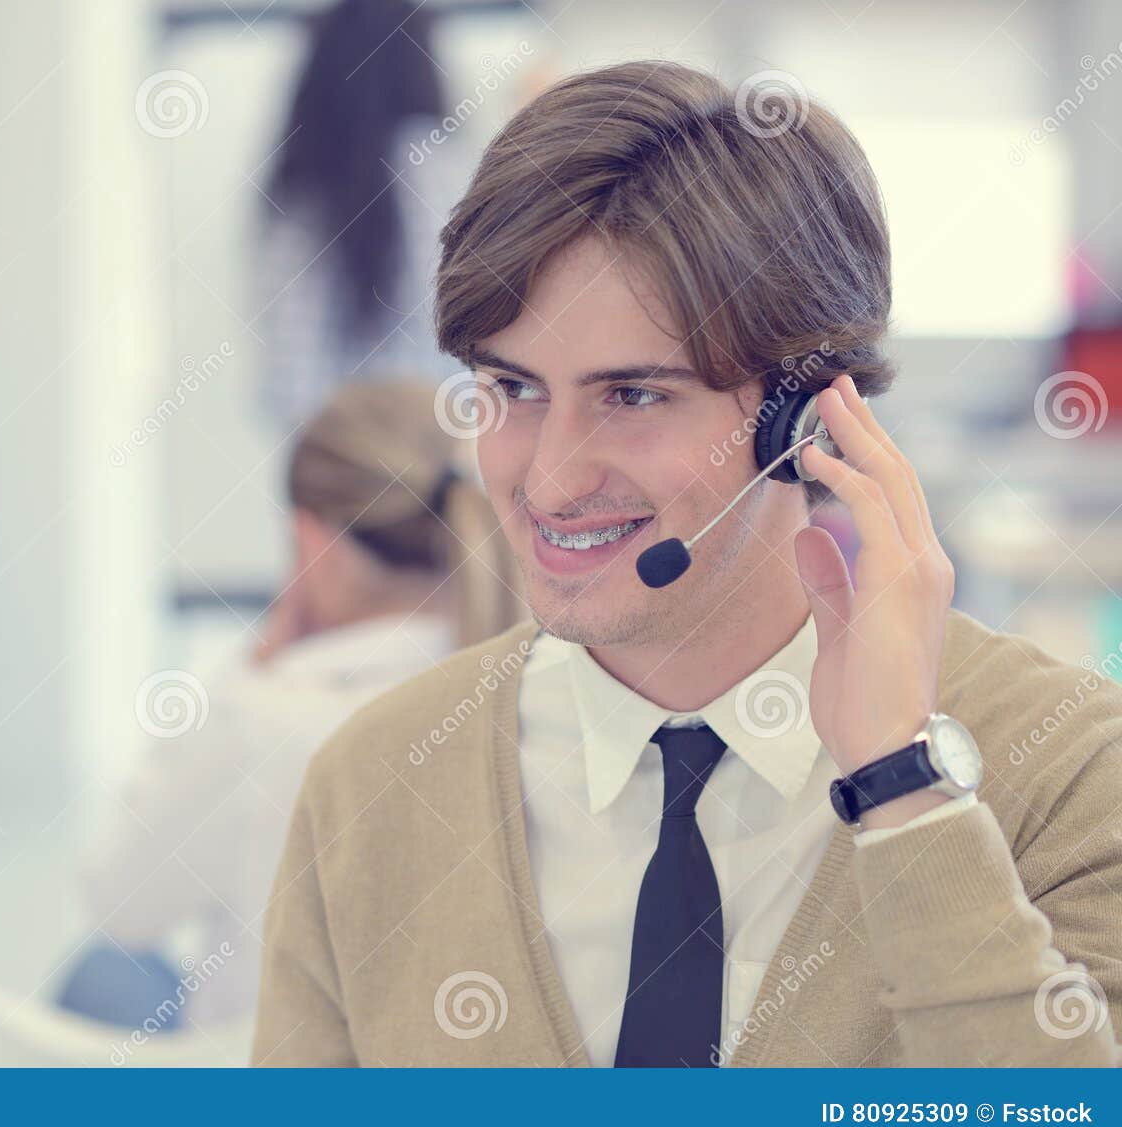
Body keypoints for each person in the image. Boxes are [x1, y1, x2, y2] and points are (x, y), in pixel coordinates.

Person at [252, 61, 1122, 1067]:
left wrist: (902, 789)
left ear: (802, 419)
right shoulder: (373, 782)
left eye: (633, 395)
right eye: (513, 388)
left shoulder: (1068, 768)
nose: (550, 478)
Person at [60, 379, 522, 1047]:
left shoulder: (264, 717)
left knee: (102, 973)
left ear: (311, 543)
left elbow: (118, 903)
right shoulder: (530, 690)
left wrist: (249, 664)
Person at [253, 0, 465, 430]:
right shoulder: (449, 170)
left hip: (328, 477)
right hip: (437, 467)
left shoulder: (293, 187)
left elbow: (286, 387)